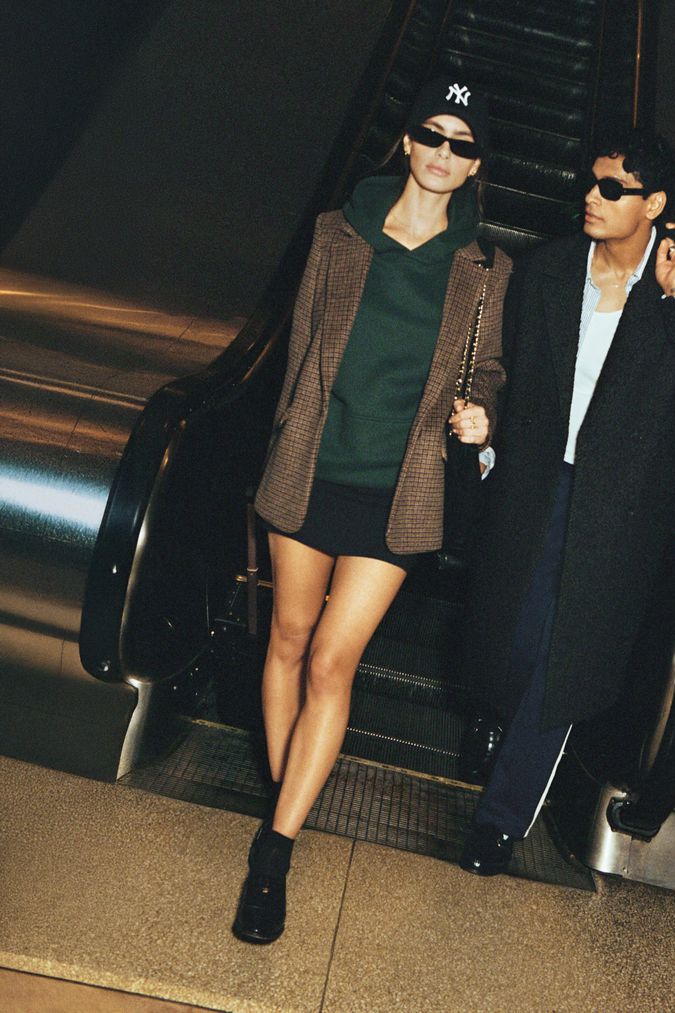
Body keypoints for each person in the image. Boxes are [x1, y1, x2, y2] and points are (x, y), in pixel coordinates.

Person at [233, 77, 512, 941]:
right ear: (408, 140)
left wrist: (482, 412)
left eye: (464, 144)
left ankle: (273, 853)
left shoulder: (485, 269)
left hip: (400, 489)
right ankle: (290, 794)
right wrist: (279, 447)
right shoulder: (338, 231)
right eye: (434, 134)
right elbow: (297, 350)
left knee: (332, 659)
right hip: (313, 468)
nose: (445, 153)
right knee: (287, 639)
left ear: (477, 166)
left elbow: (489, 367)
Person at [458, 129, 675, 875]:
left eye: (613, 188)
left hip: (617, 511)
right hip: (534, 486)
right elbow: (515, 369)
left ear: (653, 204)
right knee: (511, 640)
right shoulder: (550, 269)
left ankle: (501, 819)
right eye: (591, 182)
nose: (592, 197)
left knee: (565, 661)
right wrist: (490, 433)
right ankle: (495, 708)